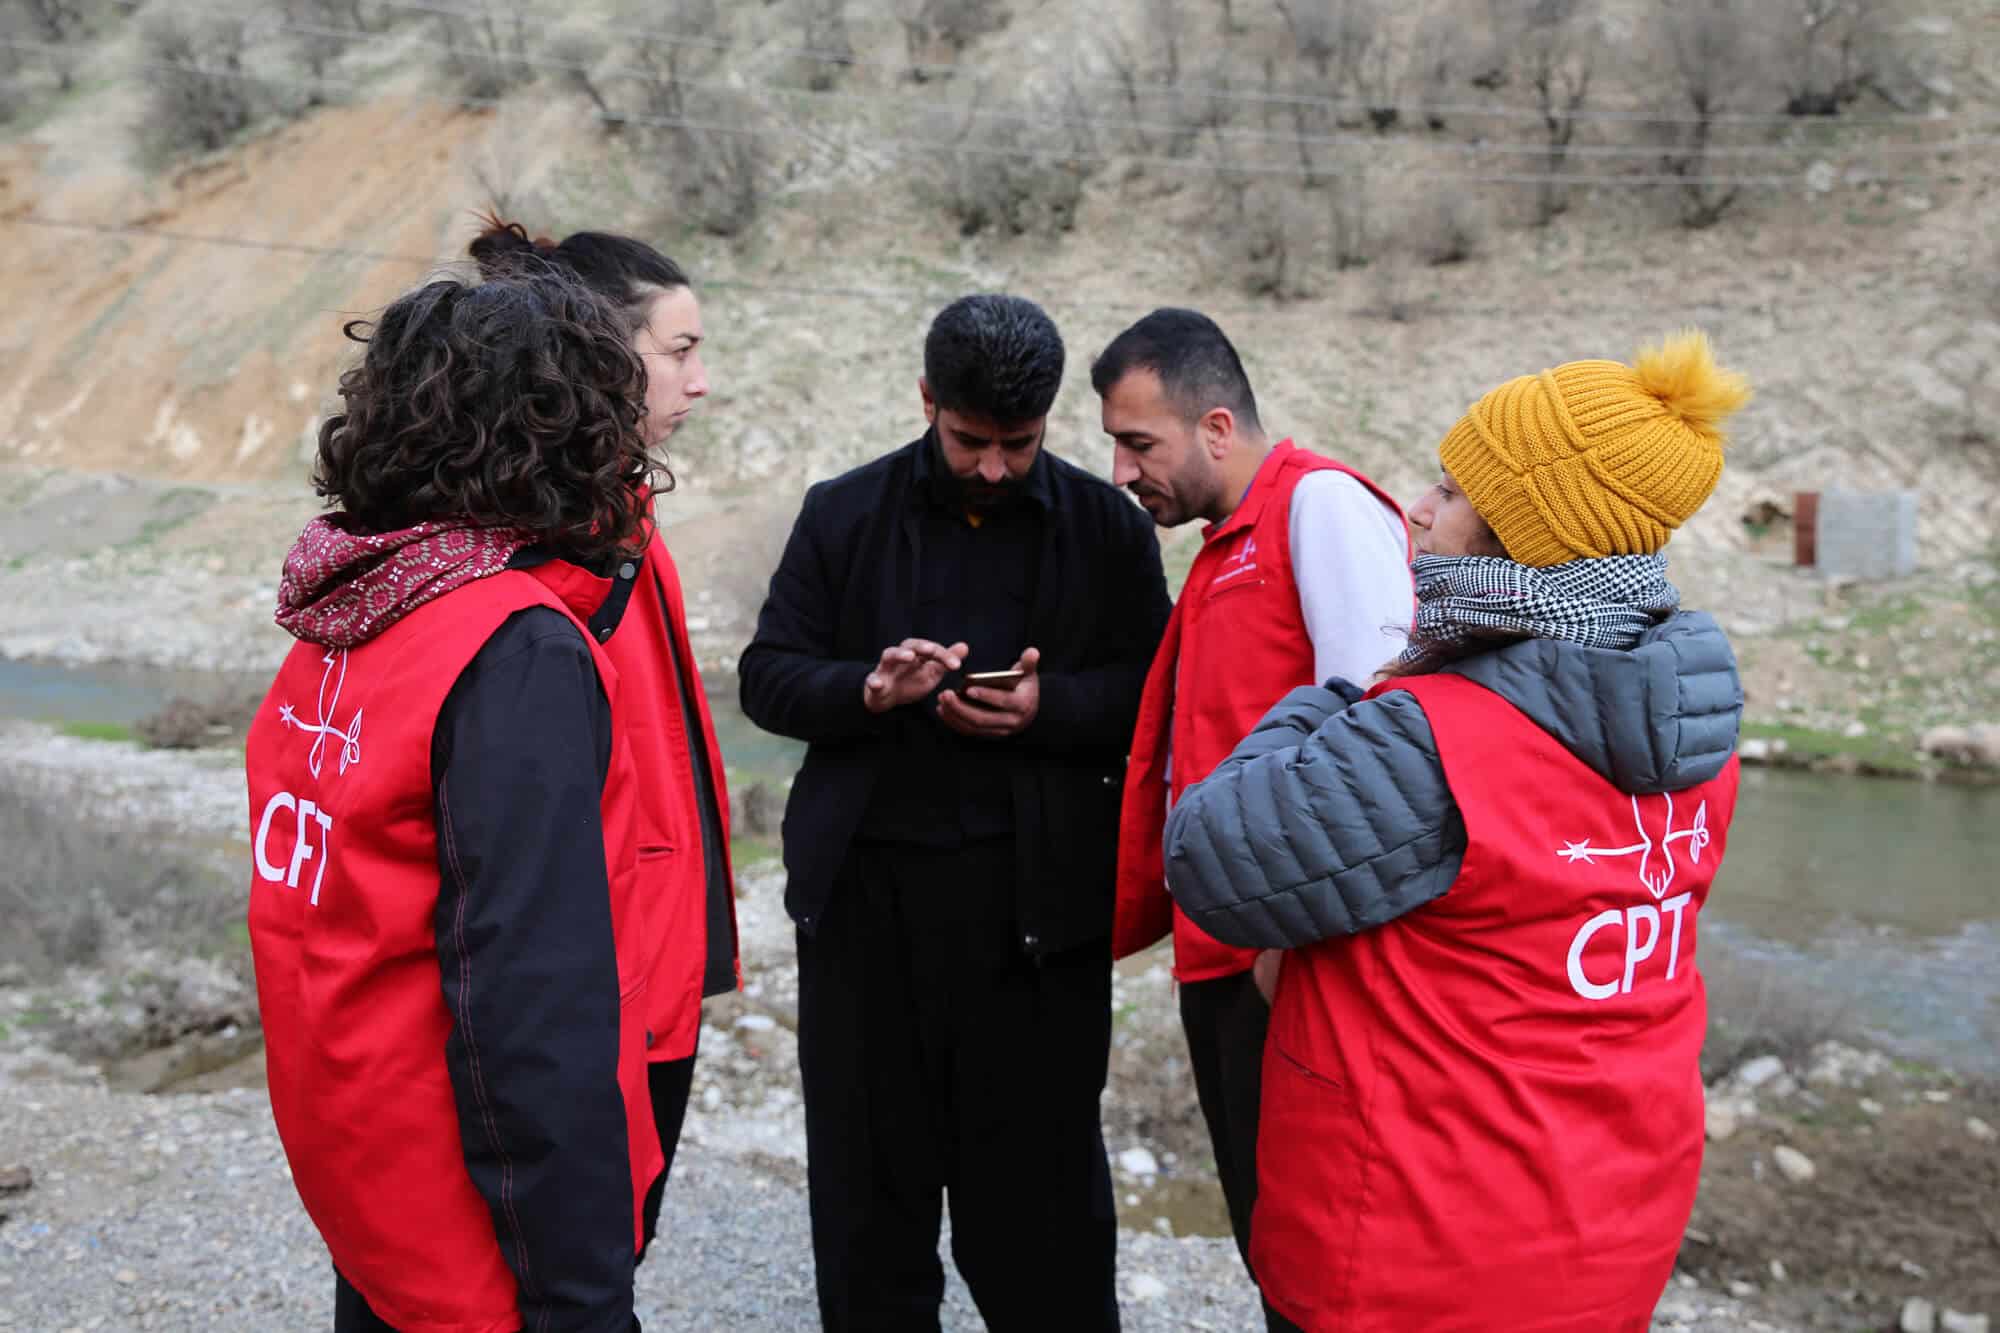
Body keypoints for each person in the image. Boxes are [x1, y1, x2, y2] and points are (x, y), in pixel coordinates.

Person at [1162, 330, 1751, 1332]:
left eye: (1449, 492)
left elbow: (1209, 855)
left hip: (1415, 1254)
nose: (1417, 513)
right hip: (1606, 1232)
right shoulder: (1692, 726)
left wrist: (1334, 698)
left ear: (1524, 534)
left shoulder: (1429, 740)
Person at [739, 294, 1171, 1331]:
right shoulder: (841, 513)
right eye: (969, 440)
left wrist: (1045, 705)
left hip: (1037, 933)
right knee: (868, 1215)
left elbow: (1153, 697)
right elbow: (766, 678)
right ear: (927, 400)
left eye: (1016, 445)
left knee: (1043, 1223)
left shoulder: (1106, 529)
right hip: (862, 924)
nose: (991, 467)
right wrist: (867, 692)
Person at [246, 272, 668, 1331]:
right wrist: (576, 1292)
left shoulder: (351, 610)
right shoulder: (509, 645)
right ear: (569, 435)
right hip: (469, 1226)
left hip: (365, 1179)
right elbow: (528, 1006)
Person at [1092, 308, 1410, 1329]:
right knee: (1270, 1237)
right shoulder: (1224, 543)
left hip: (1283, 964)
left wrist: (1286, 953)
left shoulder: (1317, 507)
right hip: (1225, 951)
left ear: (1216, 426)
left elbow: (1380, 725)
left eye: (1138, 443)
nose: (1120, 469)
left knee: (1317, 1252)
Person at [467, 217, 738, 1249]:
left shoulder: (621, 511)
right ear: (592, 356)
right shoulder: (545, 544)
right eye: (679, 351)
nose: (699, 381)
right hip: (610, 984)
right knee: (576, 1261)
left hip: (655, 962)